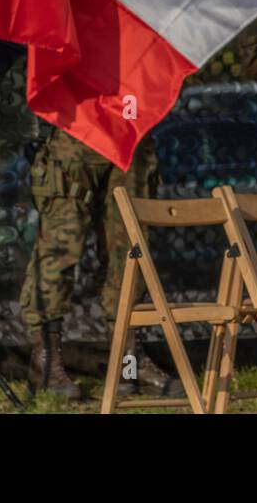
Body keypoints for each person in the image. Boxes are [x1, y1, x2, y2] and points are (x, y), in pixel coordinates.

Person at [20, 129, 174, 398]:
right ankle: (45, 366)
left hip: (130, 129)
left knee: (130, 250)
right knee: (60, 247)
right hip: (78, 125)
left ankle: (130, 365)